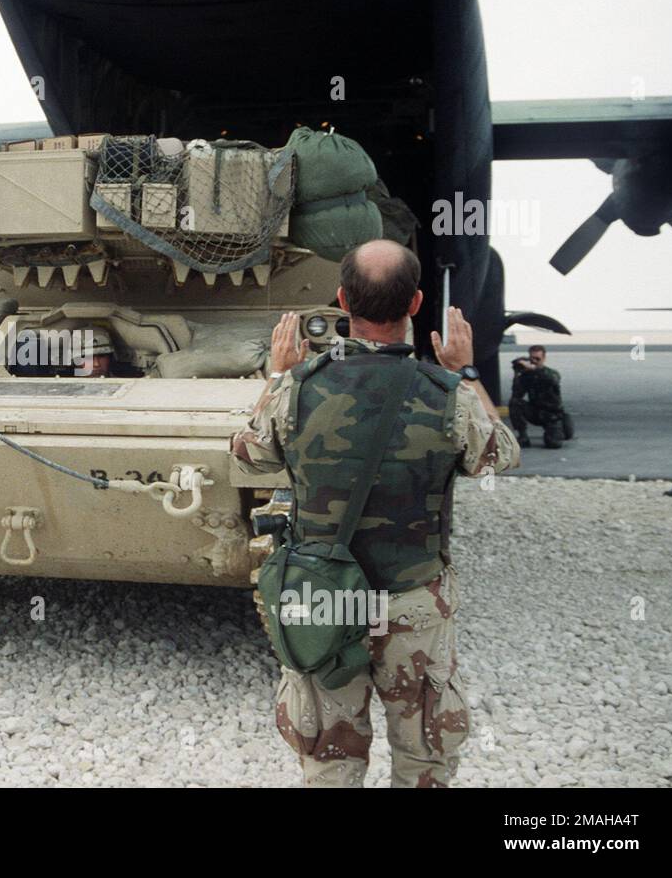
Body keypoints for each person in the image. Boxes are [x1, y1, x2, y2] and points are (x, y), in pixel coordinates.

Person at [230, 240, 520, 787]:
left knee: (330, 758)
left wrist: (276, 376)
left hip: (322, 598)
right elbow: (499, 454)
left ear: (342, 300)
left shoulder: (298, 388)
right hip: (413, 596)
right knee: (424, 754)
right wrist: (469, 371)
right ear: (415, 304)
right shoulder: (447, 393)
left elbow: (249, 454)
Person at [508, 345, 571, 449]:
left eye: (538, 359)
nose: (534, 361)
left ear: (544, 358)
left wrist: (535, 369)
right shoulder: (527, 376)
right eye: (532, 358)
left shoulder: (551, 373)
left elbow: (553, 380)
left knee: (553, 444)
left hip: (552, 415)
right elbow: (516, 394)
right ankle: (523, 436)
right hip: (536, 412)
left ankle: (564, 428)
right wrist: (517, 374)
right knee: (515, 403)